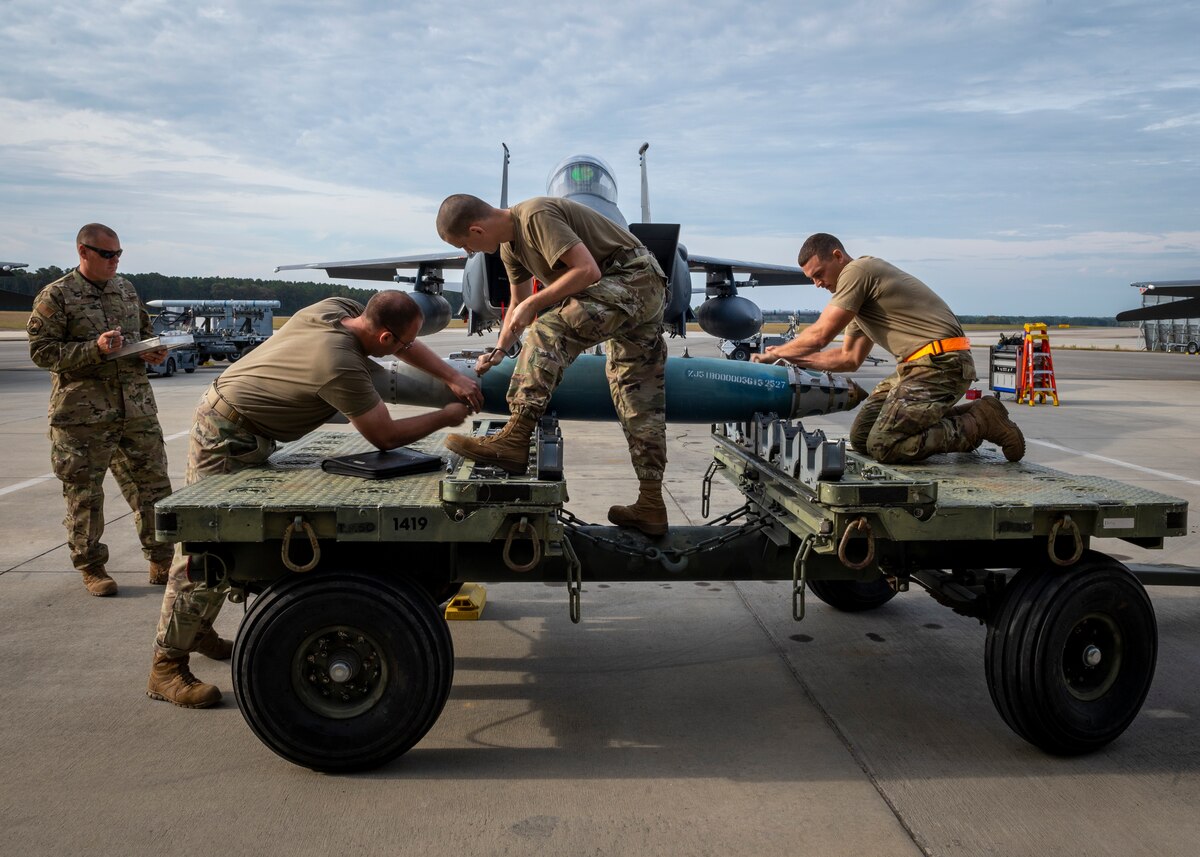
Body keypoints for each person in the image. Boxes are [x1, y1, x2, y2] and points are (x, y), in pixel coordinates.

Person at [147, 291, 481, 708]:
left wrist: (452, 376)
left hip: (244, 427)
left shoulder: (337, 309)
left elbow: (402, 344)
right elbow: (385, 436)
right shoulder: (338, 364)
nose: (407, 349)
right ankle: (166, 665)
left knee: (229, 544)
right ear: (384, 337)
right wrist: (447, 416)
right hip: (225, 435)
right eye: (402, 343)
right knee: (210, 545)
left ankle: (197, 631)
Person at [436, 194, 671, 535]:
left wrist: (536, 304)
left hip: (632, 277)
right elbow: (517, 304)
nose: (469, 252)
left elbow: (586, 270)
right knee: (635, 392)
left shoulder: (534, 215)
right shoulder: (510, 249)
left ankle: (515, 438)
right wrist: (499, 349)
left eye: (465, 245)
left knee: (549, 329)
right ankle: (651, 502)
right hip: (634, 289)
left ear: (476, 230)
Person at [752, 233, 1024, 463]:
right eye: (812, 278)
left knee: (884, 445)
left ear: (837, 256)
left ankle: (981, 423)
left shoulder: (857, 271)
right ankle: (969, 414)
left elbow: (821, 335)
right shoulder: (859, 301)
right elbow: (849, 358)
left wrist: (776, 353)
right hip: (916, 367)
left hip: (943, 363)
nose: (818, 283)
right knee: (862, 437)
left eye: (819, 274)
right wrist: (799, 361)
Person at [27, 224, 175, 597]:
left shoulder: (126, 290)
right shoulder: (57, 295)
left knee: (154, 488)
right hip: (82, 417)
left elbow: (143, 333)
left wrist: (153, 350)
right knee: (85, 495)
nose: (115, 261)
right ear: (83, 251)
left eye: (118, 254)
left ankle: (161, 560)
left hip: (135, 410)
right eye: (107, 254)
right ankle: (92, 567)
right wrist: (94, 349)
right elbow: (42, 352)